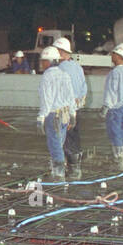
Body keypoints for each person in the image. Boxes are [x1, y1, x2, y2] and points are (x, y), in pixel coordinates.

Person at [37, 46, 76, 181]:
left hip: (53, 115)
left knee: (55, 145)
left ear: (49, 61)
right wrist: (73, 115)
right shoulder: (64, 75)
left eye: (43, 61)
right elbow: (71, 97)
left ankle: (59, 176)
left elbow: (46, 100)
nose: (42, 63)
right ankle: (58, 170)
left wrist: (41, 118)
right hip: (65, 115)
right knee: (59, 143)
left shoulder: (47, 76)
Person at [54, 36, 88, 179]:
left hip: (64, 110)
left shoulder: (60, 69)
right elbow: (83, 89)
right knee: (73, 138)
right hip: (75, 110)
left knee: (63, 140)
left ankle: (66, 172)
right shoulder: (77, 67)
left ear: (61, 52)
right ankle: (75, 169)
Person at [102, 43, 123, 173]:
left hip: (115, 108)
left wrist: (106, 107)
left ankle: (119, 163)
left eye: (113, 53)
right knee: (122, 133)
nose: (111, 55)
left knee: (114, 133)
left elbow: (112, 91)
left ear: (119, 56)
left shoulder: (115, 72)